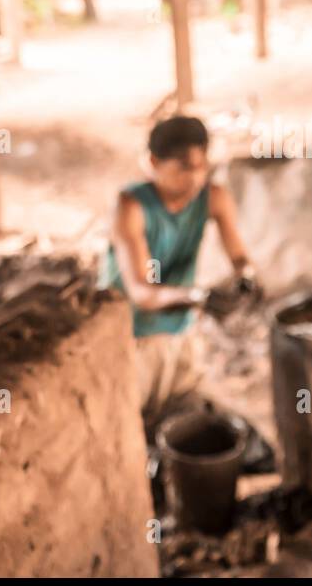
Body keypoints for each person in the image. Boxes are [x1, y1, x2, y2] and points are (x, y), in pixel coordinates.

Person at [101, 116, 257, 427]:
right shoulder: (131, 207)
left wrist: (247, 279)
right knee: (129, 424)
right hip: (131, 337)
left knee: (181, 421)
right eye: (184, 167)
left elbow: (240, 257)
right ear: (154, 162)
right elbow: (142, 293)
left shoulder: (213, 198)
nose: (196, 177)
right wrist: (198, 296)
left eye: (202, 166)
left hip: (179, 332)